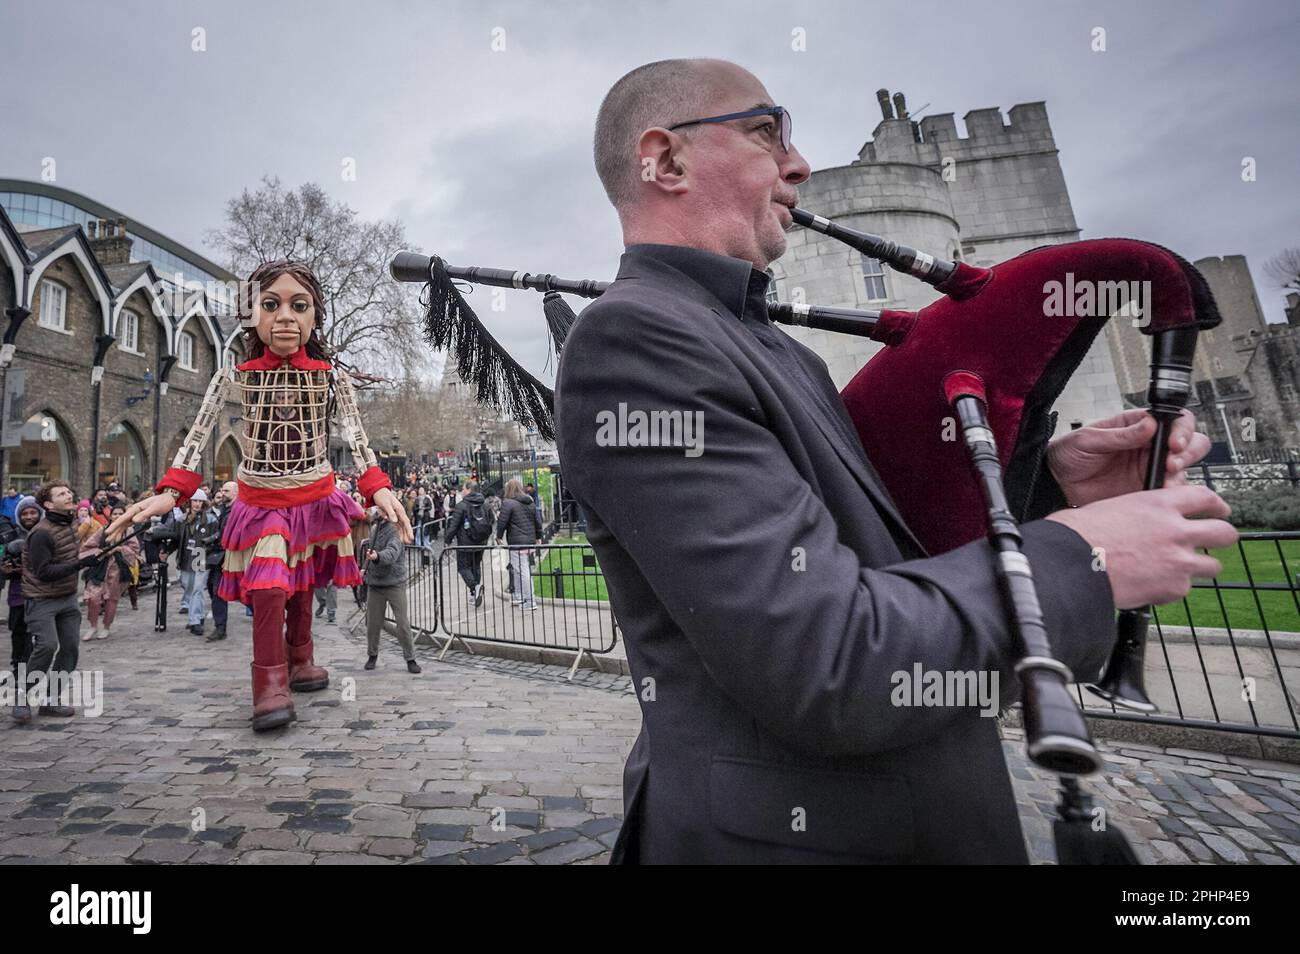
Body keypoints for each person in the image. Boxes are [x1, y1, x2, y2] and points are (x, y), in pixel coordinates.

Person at [553, 58, 1234, 864]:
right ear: (666, 161)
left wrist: (1058, 488)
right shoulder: (637, 341)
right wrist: (1087, 559)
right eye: (767, 131)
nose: (798, 163)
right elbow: (828, 659)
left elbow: (883, 545)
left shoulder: (772, 350)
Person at [108, 259, 412, 731]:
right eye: (271, 305)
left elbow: (358, 440)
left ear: (315, 317)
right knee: (271, 586)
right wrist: (170, 492)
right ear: (252, 316)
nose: (286, 317)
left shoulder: (332, 378)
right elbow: (197, 439)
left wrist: (379, 488)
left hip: (315, 493)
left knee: (304, 580)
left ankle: (301, 657)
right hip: (264, 498)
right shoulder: (232, 377)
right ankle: (268, 683)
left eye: (299, 305)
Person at [14, 480, 105, 723]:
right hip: (42, 599)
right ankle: (21, 696)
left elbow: (72, 555)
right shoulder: (41, 533)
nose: (68, 495)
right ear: (48, 503)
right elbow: (44, 571)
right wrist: (80, 564)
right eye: (61, 494)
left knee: (70, 648)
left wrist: (89, 558)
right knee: (46, 646)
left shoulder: (70, 523)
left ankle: (50, 700)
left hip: (66, 598)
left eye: (68, 492)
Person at [360, 505, 421, 674]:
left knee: (402, 624)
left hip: (394, 583)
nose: (378, 513)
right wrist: (364, 567)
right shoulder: (374, 528)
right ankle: (372, 655)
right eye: (378, 509)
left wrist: (378, 557)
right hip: (376, 583)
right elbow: (369, 549)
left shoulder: (396, 530)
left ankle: (410, 658)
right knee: (372, 623)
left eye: (382, 510)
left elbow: (392, 552)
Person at [78, 506, 139, 641]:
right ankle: (93, 625)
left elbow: (134, 549)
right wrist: (99, 551)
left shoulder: (128, 531)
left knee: (111, 599)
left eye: (120, 513)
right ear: (110, 516)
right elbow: (88, 546)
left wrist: (119, 549)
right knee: (93, 597)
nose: (117, 516)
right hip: (100, 567)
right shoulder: (103, 530)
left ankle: (106, 627)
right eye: (115, 513)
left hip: (117, 569)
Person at [161, 488, 212, 636]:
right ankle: (196, 614)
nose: (197, 504)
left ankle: (195, 620)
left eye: (200, 501)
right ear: (189, 502)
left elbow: (217, 537)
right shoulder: (181, 520)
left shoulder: (210, 520)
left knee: (198, 588)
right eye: (195, 501)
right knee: (187, 585)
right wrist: (166, 550)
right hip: (185, 556)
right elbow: (175, 538)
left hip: (201, 555)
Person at [3, 495, 41, 684]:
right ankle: (18, 665)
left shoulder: (44, 533)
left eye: (33, 512)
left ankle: (31, 667)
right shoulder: (12, 535)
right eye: (25, 513)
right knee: (18, 631)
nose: (29, 516)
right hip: (17, 594)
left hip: (40, 593)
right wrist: (7, 568)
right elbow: (4, 558)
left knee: (34, 633)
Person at [495, 478, 543, 610]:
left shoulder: (508, 503)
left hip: (517, 542)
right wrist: (538, 537)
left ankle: (530, 600)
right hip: (529, 540)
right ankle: (519, 596)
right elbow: (537, 522)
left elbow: (502, 522)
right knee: (520, 569)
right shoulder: (530, 502)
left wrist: (498, 536)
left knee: (522, 571)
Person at [444, 481, 491, 607]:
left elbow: (453, 526)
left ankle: (475, 587)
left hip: (465, 543)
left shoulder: (461, 505)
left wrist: (447, 541)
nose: (462, 491)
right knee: (475, 566)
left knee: (463, 567)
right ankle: (474, 594)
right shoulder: (485, 504)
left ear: (469, 489)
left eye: (463, 488)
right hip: (481, 542)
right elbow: (491, 521)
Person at [201, 481, 237, 641]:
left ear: (236, 493)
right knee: (214, 589)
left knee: (221, 591)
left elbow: (225, 534)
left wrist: (211, 539)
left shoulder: (235, 510)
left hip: (231, 556)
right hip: (220, 556)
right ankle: (220, 626)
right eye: (222, 490)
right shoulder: (225, 509)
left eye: (227, 491)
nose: (222, 493)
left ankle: (220, 627)